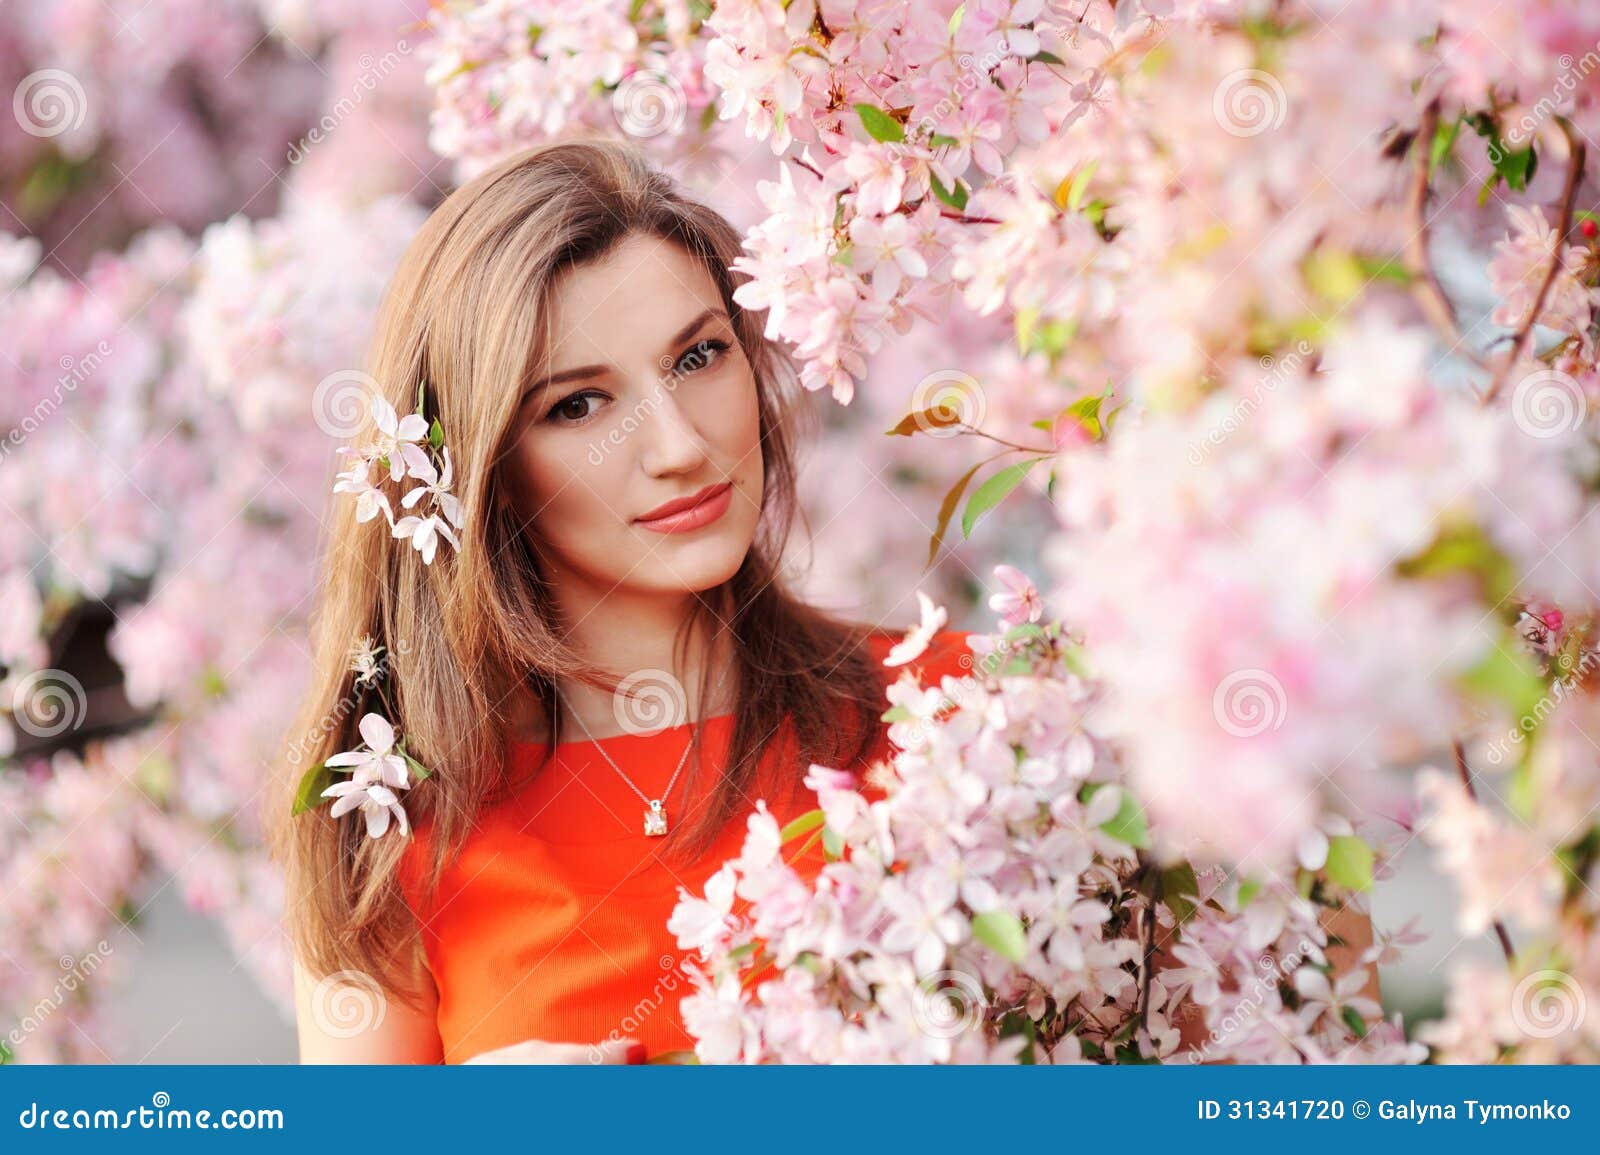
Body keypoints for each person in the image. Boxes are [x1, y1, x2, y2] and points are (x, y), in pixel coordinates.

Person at [270, 138, 1377, 1065]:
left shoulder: (970, 720)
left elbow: (1286, 1025)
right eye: (578, 405)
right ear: (478, 465)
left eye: (699, 356)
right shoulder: (396, 821)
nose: (679, 444)